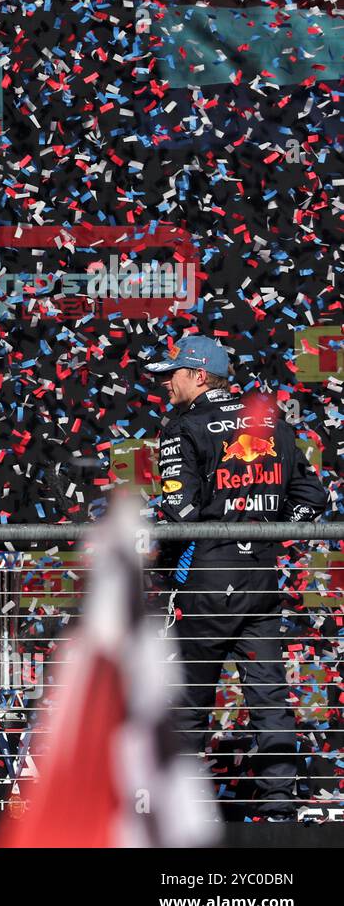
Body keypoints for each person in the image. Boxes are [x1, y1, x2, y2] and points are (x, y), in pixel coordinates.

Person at [147, 334, 327, 820]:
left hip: (203, 581)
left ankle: (175, 813)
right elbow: (312, 496)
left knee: (188, 701)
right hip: (258, 580)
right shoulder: (271, 425)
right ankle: (280, 809)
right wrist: (267, 529)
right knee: (269, 697)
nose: (167, 383)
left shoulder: (183, 427)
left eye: (174, 373)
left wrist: (203, 531)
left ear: (199, 375)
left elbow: (180, 508)